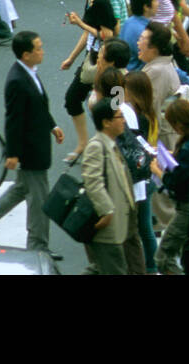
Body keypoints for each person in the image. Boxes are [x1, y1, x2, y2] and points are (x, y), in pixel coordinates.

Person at [0, 31, 64, 256]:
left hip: (35, 147)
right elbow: (14, 120)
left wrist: (52, 126)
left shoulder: (28, 73)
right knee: (39, 201)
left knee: (17, 192)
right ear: (26, 54)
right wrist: (13, 153)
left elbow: (38, 106)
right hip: (31, 151)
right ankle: (38, 246)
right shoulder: (17, 80)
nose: (42, 50)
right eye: (38, 48)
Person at [80, 98, 140, 274]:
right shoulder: (96, 147)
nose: (123, 120)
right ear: (106, 122)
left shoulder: (112, 145)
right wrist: (107, 211)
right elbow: (93, 181)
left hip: (119, 226)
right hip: (107, 229)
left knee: (102, 268)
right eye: (119, 117)